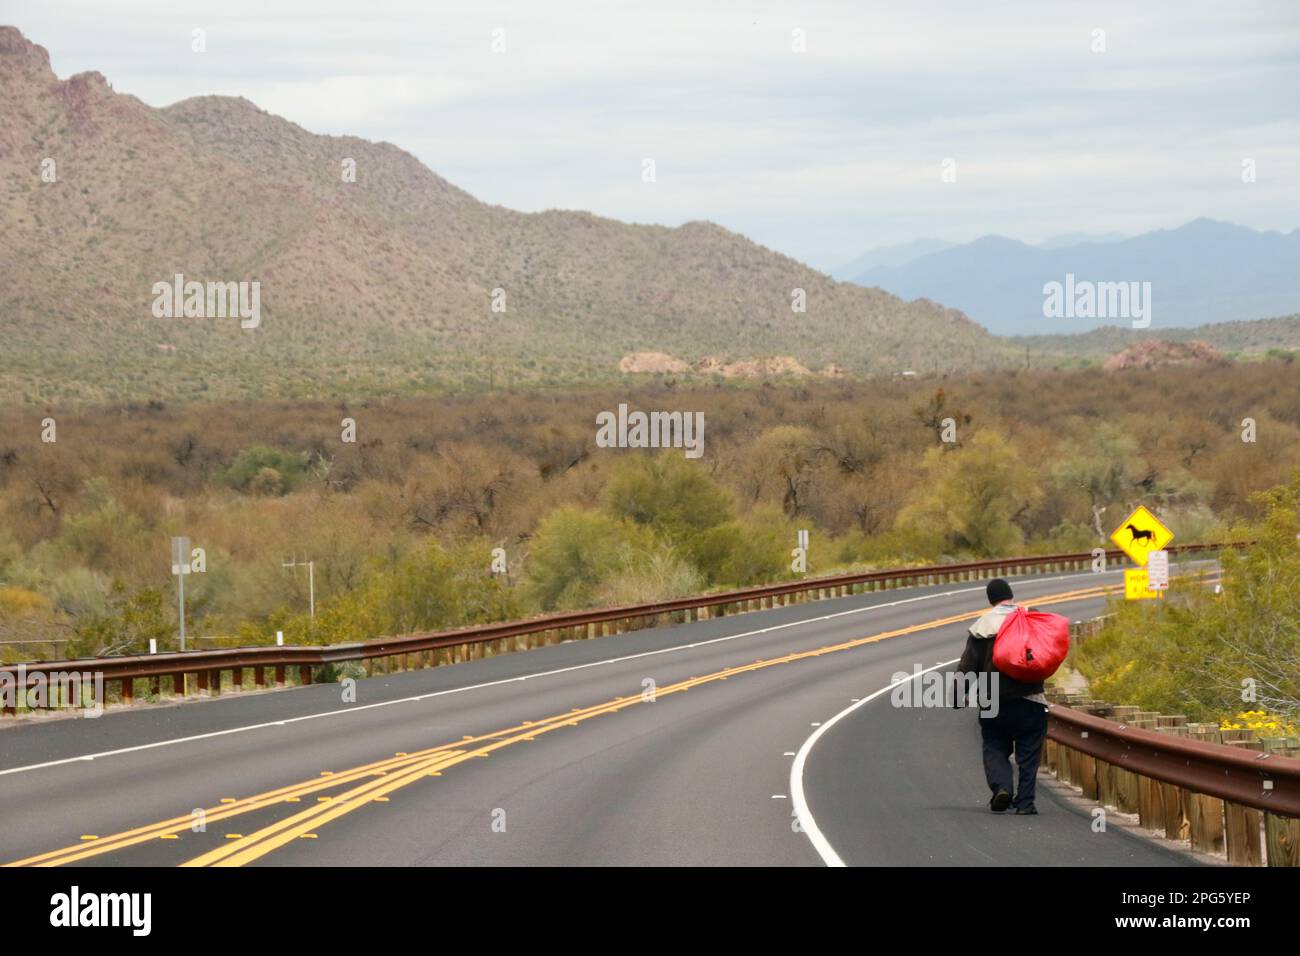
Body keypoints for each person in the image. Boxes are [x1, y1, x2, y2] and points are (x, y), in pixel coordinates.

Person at [955, 578, 1049, 815]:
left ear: (990, 599)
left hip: (992, 700)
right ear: (1011, 595)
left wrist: (959, 695)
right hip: (1031, 698)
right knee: (1028, 752)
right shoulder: (1028, 618)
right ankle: (1026, 803)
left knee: (995, 746)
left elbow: (968, 666)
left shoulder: (982, 627)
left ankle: (1002, 787)